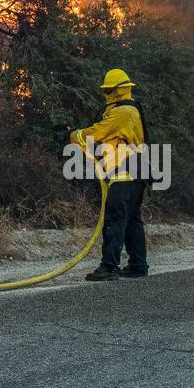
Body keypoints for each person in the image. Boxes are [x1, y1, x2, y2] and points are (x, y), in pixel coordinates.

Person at [70, 68, 148, 281]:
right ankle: (138, 266)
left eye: (108, 91)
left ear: (116, 91)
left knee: (114, 219)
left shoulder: (121, 113)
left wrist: (77, 135)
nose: (106, 96)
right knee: (132, 220)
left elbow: (99, 131)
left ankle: (109, 267)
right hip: (136, 173)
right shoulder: (130, 110)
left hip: (125, 174)